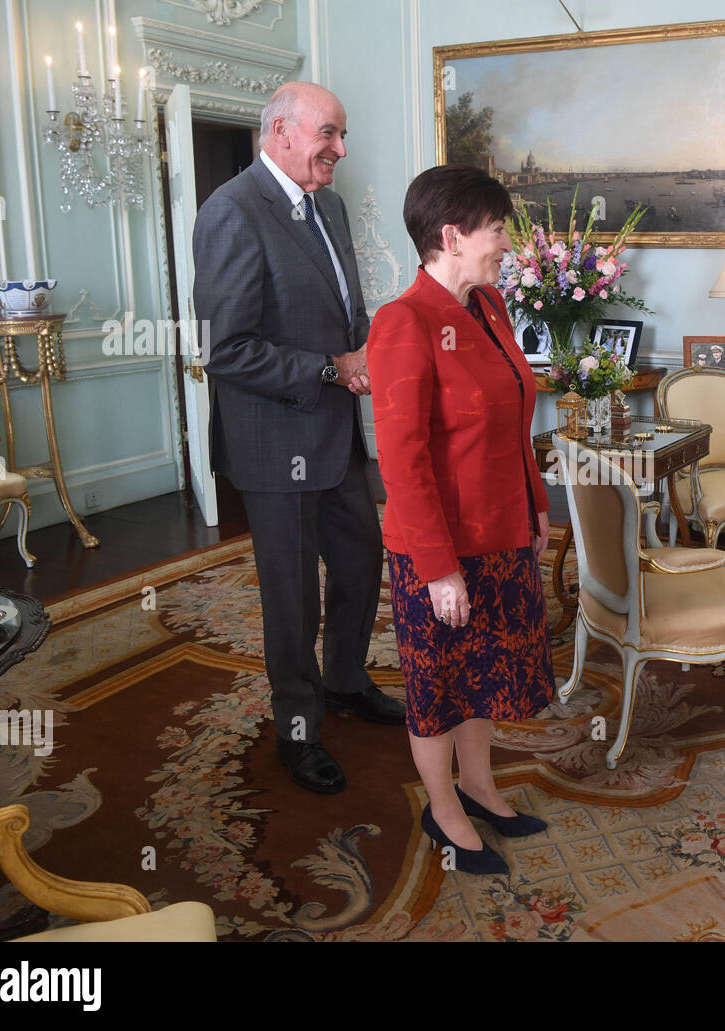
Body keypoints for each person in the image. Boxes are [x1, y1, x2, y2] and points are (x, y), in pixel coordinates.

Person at [193, 81, 405, 796]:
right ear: (281, 132)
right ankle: (297, 728)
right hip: (273, 438)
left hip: (336, 432)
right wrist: (330, 368)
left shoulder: (330, 206)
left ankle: (344, 681)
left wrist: (371, 349)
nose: (341, 150)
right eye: (330, 135)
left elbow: (344, 311)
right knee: (293, 598)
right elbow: (226, 349)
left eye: (341, 136)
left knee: (359, 562)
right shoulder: (230, 212)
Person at [368, 165, 554, 875]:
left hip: (504, 531)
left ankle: (479, 786)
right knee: (439, 682)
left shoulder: (491, 306)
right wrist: (438, 567)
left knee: (488, 672)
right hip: (440, 548)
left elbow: (513, 420)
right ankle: (442, 806)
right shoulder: (403, 323)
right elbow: (403, 461)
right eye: (498, 230)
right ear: (452, 235)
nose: (506, 243)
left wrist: (536, 505)